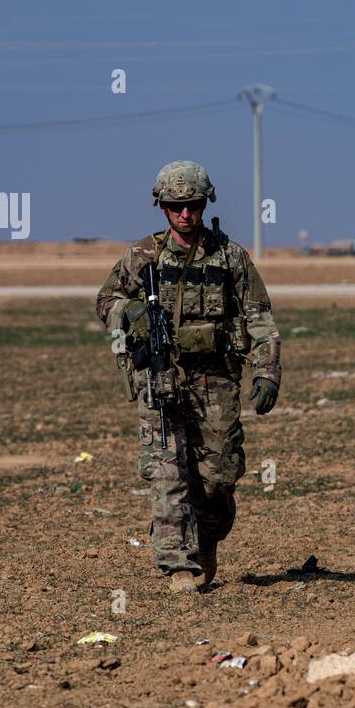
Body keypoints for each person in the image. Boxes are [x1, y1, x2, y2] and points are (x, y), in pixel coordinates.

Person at [95, 161, 281, 594]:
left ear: (204, 204)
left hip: (216, 381)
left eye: (192, 205)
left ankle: (207, 537)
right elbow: (105, 300)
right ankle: (179, 563)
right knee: (167, 469)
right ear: (162, 207)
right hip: (161, 378)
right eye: (176, 206)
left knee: (217, 478)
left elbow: (261, 320)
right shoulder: (142, 256)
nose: (185, 214)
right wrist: (131, 311)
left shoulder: (231, 257)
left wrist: (267, 371)